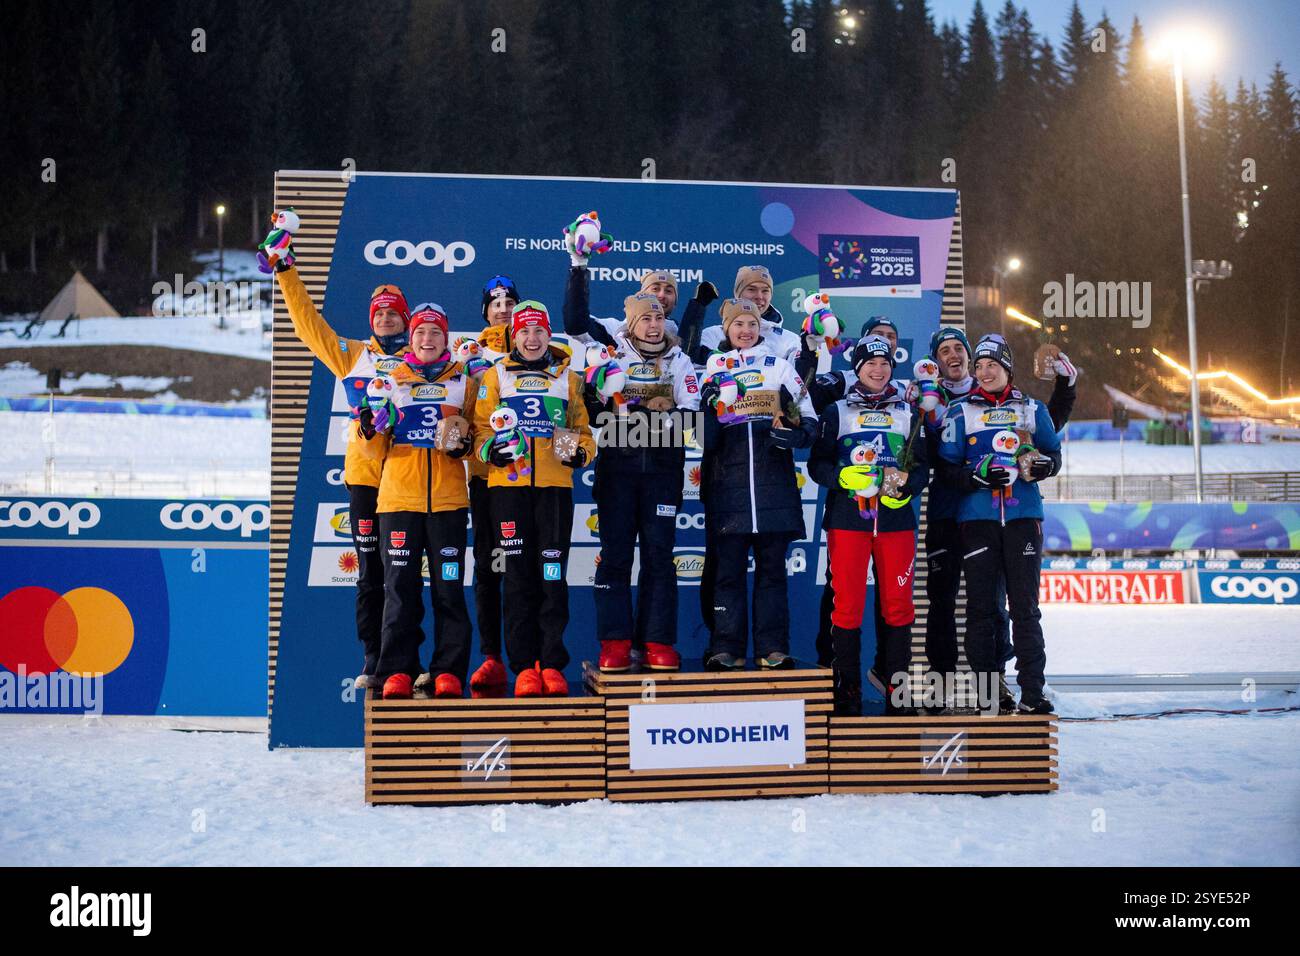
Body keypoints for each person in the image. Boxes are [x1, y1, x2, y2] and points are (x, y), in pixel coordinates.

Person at [270, 243, 409, 689]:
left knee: (404, 577)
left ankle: (406, 665)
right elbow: (308, 325)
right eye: (379, 314)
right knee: (371, 574)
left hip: (408, 484)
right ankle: (374, 661)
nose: (385, 319)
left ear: (407, 319)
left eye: (393, 313)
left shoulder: (423, 358)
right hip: (366, 482)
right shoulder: (351, 354)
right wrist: (286, 271)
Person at [563, 273, 700, 672]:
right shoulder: (611, 355)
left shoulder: (681, 359)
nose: (654, 325)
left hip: (662, 471)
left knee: (660, 556)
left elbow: (692, 418)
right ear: (632, 324)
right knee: (616, 557)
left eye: (658, 318)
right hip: (618, 471)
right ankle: (616, 641)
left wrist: (641, 417)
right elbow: (598, 415)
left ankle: (657, 641)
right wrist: (629, 410)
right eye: (645, 319)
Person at [472, 300, 596, 696]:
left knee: (552, 575)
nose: (531, 338)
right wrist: (490, 449)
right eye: (524, 331)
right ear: (514, 335)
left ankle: (551, 663)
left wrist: (581, 453)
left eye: (539, 330)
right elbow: (478, 430)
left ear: (549, 335)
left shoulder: (569, 378)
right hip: (507, 490)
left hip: (554, 490)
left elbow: (584, 433)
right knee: (518, 577)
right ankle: (524, 665)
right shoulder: (496, 376)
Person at [938, 334, 1062, 714]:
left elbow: (1053, 455)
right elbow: (946, 468)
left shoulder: (1032, 408)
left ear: (1007, 368)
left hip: (1024, 518)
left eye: (992, 365)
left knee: (1025, 607)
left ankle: (1033, 693)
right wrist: (975, 477)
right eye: (979, 366)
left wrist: (1044, 466)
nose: (985, 372)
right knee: (981, 609)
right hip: (978, 521)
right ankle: (989, 693)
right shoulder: (961, 411)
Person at [808, 336, 929, 714]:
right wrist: (844, 478)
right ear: (857, 368)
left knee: (898, 606)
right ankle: (847, 693)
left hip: (895, 522)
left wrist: (905, 487)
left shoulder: (909, 412)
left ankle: (898, 694)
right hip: (848, 521)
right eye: (870, 364)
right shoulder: (837, 411)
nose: (879, 370)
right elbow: (817, 465)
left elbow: (923, 467)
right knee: (847, 607)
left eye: (885, 363)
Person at [699, 297, 816, 670]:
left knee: (772, 574)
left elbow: (808, 417)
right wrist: (711, 407)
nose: (746, 331)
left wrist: (794, 437)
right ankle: (725, 648)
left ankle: (773, 648)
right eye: (738, 325)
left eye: (752, 324)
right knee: (727, 573)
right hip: (728, 486)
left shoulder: (779, 366)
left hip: (773, 487)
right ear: (727, 331)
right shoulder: (715, 365)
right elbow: (704, 433)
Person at [368, 303, 475, 700]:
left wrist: (463, 444)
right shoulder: (391, 379)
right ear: (410, 339)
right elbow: (373, 446)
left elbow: (478, 436)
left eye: (435, 333)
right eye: (420, 333)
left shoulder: (464, 381)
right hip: (399, 500)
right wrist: (370, 426)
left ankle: (447, 669)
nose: (427, 339)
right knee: (400, 589)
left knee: (448, 588)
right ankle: (397, 669)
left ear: (445, 338)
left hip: (447, 501)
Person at [464, 274, 521, 697]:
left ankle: (530, 660)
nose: (502, 307)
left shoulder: (537, 349)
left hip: (528, 481)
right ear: (484, 311)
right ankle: (491, 657)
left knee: (528, 571)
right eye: (495, 301)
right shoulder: (469, 355)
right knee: (487, 569)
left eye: (509, 300)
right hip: (486, 477)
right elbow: (461, 416)